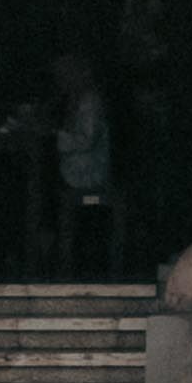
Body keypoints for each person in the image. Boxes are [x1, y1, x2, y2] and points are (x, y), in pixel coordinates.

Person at [52, 49, 121, 272]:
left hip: (89, 172)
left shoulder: (90, 101)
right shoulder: (74, 98)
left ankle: (57, 250)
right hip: (76, 165)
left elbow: (87, 141)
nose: (60, 80)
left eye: (65, 73)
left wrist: (57, 138)